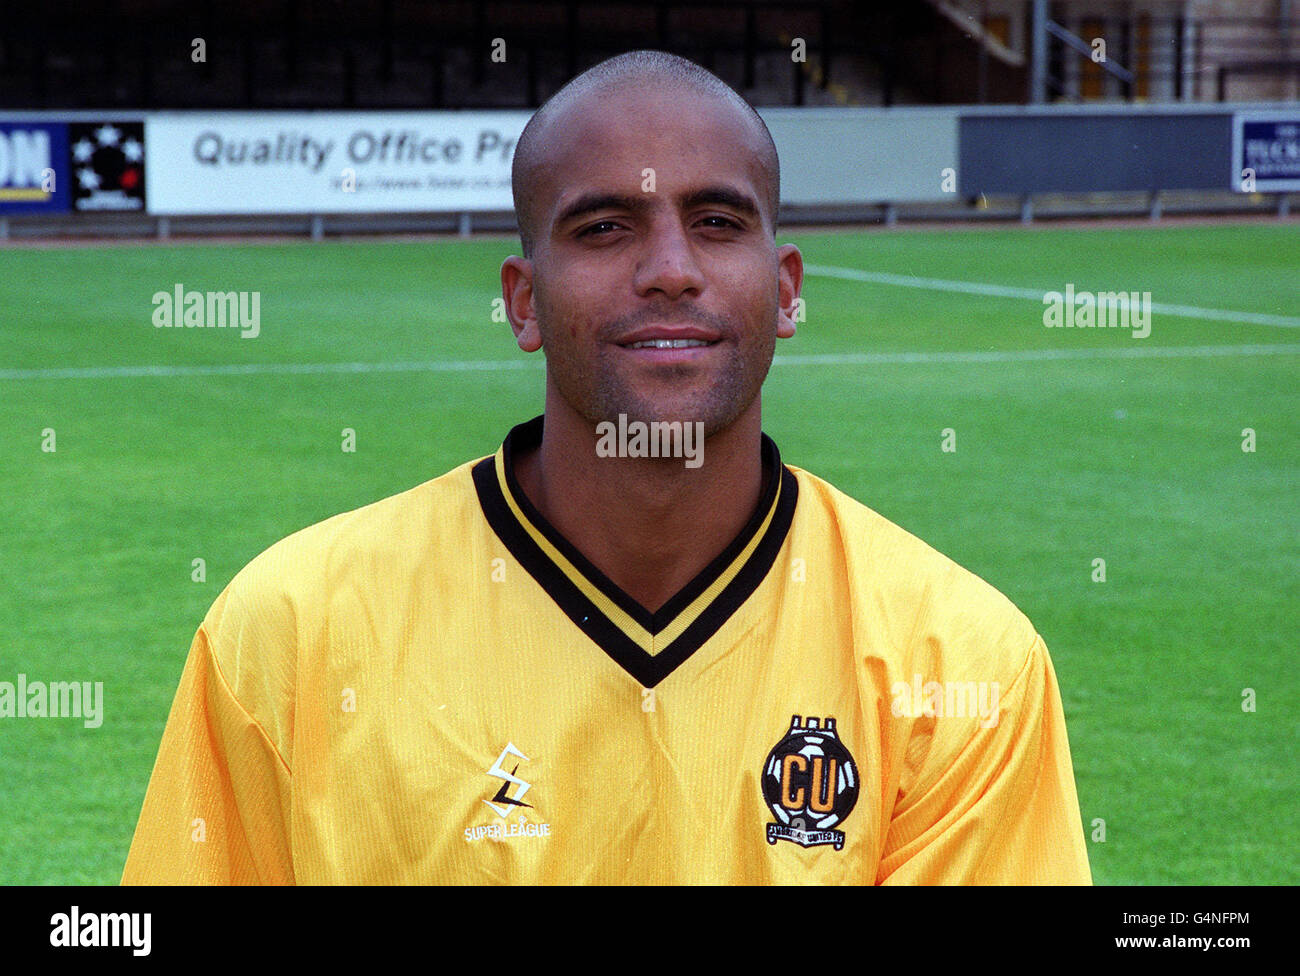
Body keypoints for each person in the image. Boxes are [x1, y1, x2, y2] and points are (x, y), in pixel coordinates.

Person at [122, 50, 1091, 885]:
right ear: (522, 301)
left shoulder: (960, 665)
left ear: (785, 288)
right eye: (603, 227)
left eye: (716, 221)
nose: (670, 266)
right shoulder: (291, 631)